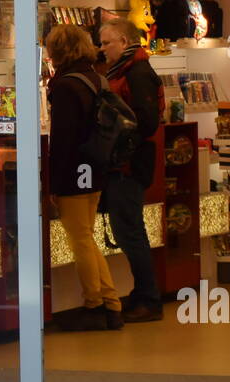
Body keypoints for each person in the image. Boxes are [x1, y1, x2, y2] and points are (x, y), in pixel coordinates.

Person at [46, 24, 123, 331]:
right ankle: (111, 304)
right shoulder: (96, 78)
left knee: (80, 239)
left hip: (74, 169)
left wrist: (53, 183)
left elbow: (62, 139)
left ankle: (96, 304)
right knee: (86, 237)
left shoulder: (65, 86)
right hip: (94, 166)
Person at [97, 19, 165, 322]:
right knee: (129, 231)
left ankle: (148, 299)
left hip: (129, 164)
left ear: (124, 41)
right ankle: (143, 295)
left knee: (130, 232)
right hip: (127, 161)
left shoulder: (137, 74)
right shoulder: (127, 71)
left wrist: (119, 143)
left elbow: (146, 120)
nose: (102, 49)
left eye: (106, 42)